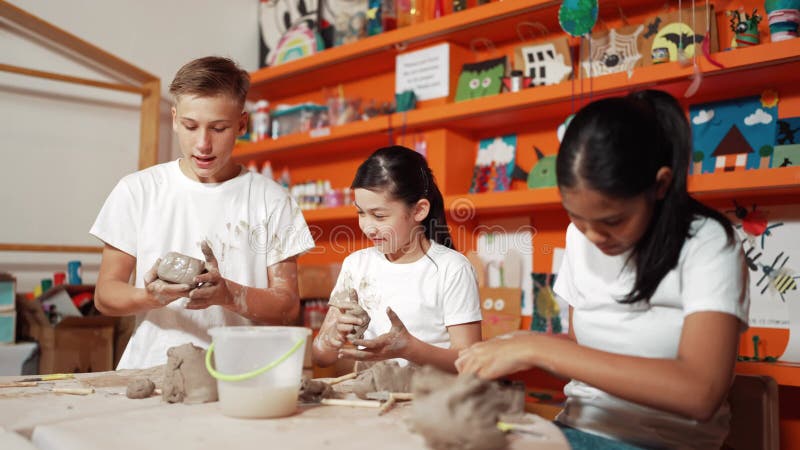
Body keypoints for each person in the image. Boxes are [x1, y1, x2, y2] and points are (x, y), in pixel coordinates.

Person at [455, 90, 749, 449]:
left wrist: (536, 348)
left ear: (660, 185)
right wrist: (512, 346)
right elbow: (587, 346)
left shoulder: (708, 242)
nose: (593, 235)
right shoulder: (580, 237)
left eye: (612, 220)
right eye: (577, 219)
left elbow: (700, 391)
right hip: (577, 429)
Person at [91, 56, 314, 369]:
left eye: (219, 128)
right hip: (153, 368)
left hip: (240, 374)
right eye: (190, 126)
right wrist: (153, 297)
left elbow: (288, 307)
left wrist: (229, 295)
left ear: (242, 124)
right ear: (174, 118)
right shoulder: (138, 191)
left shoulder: (272, 201)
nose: (203, 144)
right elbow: (105, 295)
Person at [312, 146, 482, 373]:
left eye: (379, 216)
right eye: (360, 213)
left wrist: (410, 349)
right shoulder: (356, 265)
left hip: (428, 400)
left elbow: (471, 362)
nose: (368, 227)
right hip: (369, 398)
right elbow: (321, 357)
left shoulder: (452, 269)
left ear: (419, 210)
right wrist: (331, 338)